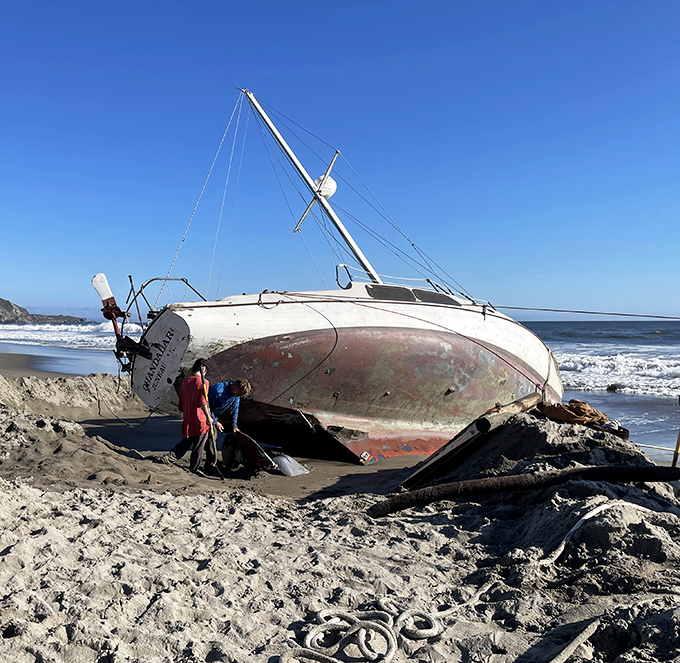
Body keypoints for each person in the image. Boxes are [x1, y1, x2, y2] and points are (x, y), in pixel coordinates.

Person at [169, 358, 223, 475]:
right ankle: (194, 467)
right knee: (199, 445)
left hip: (188, 417)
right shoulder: (204, 382)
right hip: (200, 419)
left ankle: (170, 457)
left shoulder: (185, 381)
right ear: (203, 369)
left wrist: (186, 411)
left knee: (186, 441)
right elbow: (203, 402)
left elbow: (182, 399)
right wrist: (209, 417)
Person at [206, 378, 252, 471]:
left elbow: (234, 410)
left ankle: (211, 462)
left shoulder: (235, 396)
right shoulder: (218, 391)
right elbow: (206, 407)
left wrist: (234, 426)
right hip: (203, 413)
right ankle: (211, 464)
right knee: (211, 436)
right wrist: (215, 422)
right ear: (235, 387)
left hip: (213, 415)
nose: (239, 396)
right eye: (239, 394)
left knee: (208, 438)